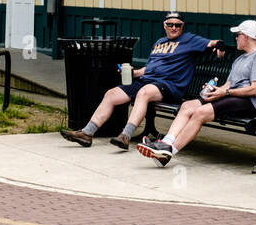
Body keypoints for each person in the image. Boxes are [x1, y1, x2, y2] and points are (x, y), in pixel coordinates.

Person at [60, 12, 220, 151]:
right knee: (111, 94)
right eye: (170, 24)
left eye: (177, 25)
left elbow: (212, 43)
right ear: (164, 25)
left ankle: (125, 136)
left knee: (144, 93)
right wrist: (133, 72)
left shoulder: (189, 39)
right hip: (148, 82)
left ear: (182, 26)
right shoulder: (160, 43)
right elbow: (149, 69)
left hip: (169, 86)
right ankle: (87, 133)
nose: (174, 28)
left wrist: (219, 46)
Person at [137, 19, 256, 167]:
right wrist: (215, 90)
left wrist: (226, 92)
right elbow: (229, 84)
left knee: (200, 113)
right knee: (188, 106)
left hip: (251, 103)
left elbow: (255, 90)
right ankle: (166, 143)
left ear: (246, 36)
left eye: (237, 35)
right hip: (232, 96)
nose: (235, 38)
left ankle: (168, 152)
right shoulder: (241, 58)